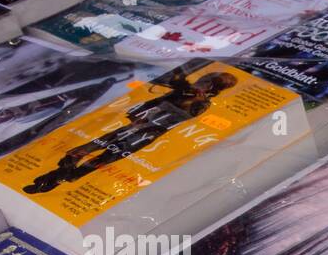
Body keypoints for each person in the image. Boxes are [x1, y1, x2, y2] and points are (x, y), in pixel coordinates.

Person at [22, 67, 238, 194]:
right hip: (138, 124)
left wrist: (177, 99)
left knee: (104, 158)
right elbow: (158, 99)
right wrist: (141, 110)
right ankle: (51, 178)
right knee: (86, 149)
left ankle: (52, 182)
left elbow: (181, 116)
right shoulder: (189, 93)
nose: (201, 80)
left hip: (148, 131)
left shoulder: (201, 102)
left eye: (207, 80)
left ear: (212, 86)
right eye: (205, 78)